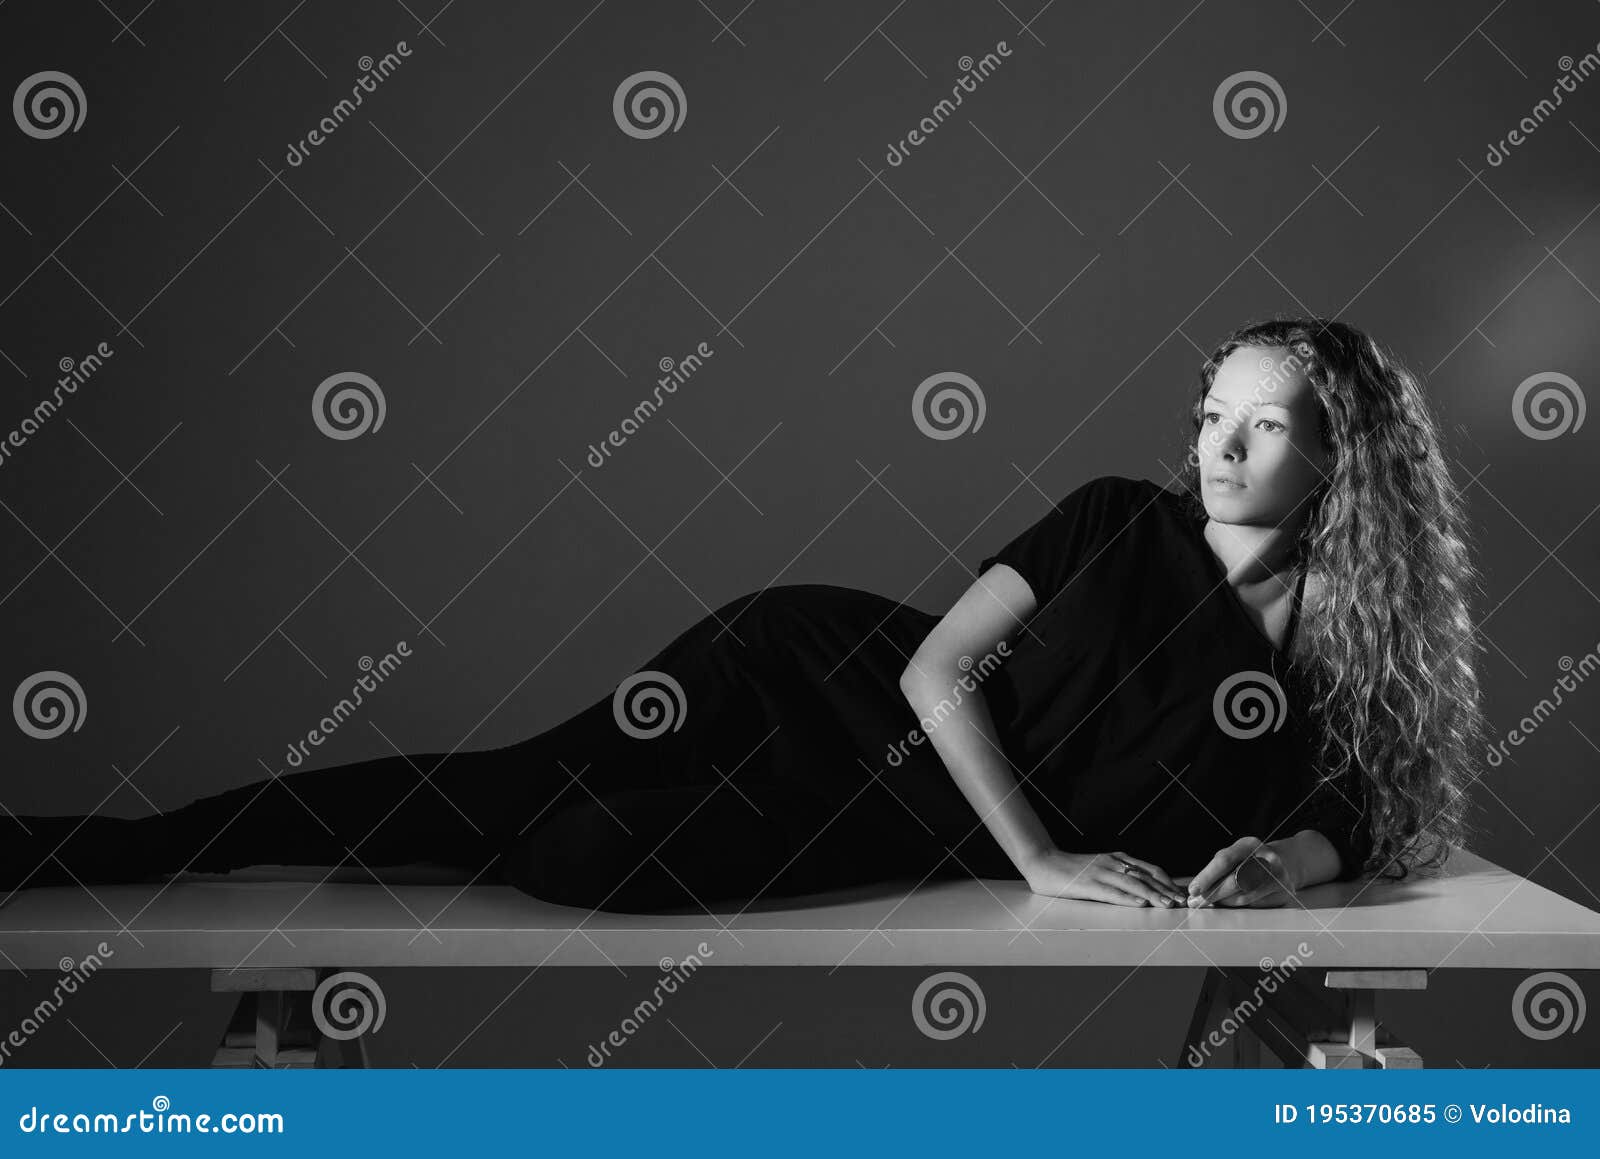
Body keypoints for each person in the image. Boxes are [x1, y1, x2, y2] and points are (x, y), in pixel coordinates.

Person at [2, 316, 1484, 915]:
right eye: (1211, 412)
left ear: (1341, 455)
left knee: (575, 857)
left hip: (890, 823)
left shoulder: (1332, 656)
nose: (1218, 445)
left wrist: (1277, 862)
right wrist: (1041, 861)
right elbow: (936, 664)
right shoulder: (1114, 517)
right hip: (818, 689)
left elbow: (1347, 805)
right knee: (501, 797)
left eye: (1266, 424)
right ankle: (93, 851)